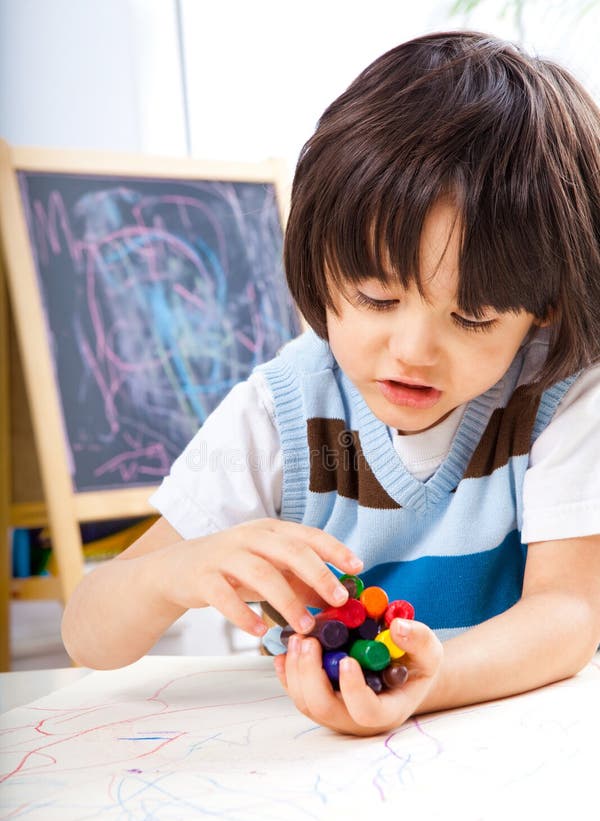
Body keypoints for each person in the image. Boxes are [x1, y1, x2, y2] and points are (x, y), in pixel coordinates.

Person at [62, 31, 600, 736]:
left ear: (544, 309)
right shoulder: (282, 413)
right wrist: (173, 573)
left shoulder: (562, 397)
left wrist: (425, 683)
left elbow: (569, 611)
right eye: (377, 297)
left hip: (507, 748)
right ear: (320, 262)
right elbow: (87, 634)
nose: (412, 351)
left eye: (472, 318)